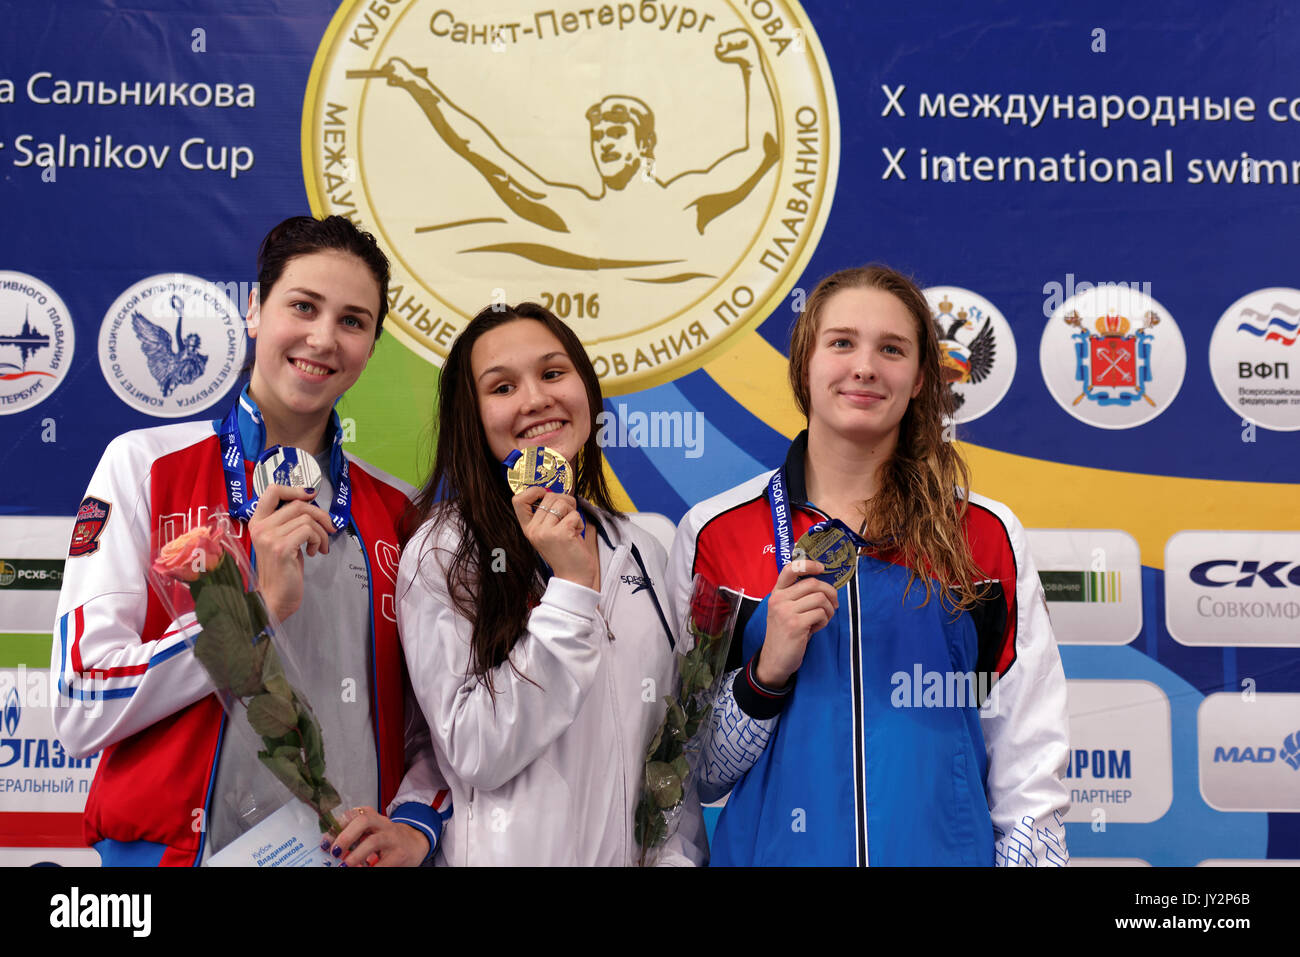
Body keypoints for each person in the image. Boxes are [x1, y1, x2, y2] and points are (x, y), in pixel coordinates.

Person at [52, 215, 448, 867]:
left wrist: (414, 822)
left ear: (371, 346)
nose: (323, 337)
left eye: (352, 321)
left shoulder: (400, 512)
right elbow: (83, 700)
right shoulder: (146, 465)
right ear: (254, 310)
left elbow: (437, 728)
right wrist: (252, 608)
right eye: (303, 306)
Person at [666, 265, 1071, 866]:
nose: (864, 366)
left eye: (891, 349)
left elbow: (1029, 763)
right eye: (841, 343)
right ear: (804, 366)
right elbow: (692, 775)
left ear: (919, 380)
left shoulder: (982, 536)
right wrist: (766, 673)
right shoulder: (718, 534)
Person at [393, 302, 706, 865]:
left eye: (553, 373)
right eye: (503, 386)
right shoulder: (443, 552)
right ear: (472, 415)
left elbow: (669, 744)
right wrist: (570, 591)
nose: (536, 398)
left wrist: (675, 858)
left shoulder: (642, 545)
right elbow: (475, 750)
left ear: (585, 388)